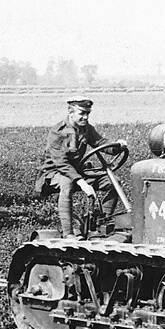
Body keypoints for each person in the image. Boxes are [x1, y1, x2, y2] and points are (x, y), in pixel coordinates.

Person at [40, 98, 127, 238]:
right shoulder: (57, 132)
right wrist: (82, 182)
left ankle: (102, 224)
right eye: (82, 113)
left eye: (88, 113)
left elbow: (100, 143)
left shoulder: (86, 129)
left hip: (78, 172)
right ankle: (68, 234)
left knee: (113, 182)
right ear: (70, 112)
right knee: (67, 184)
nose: (85, 117)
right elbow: (61, 164)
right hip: (55, 173)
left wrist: (117, 145)